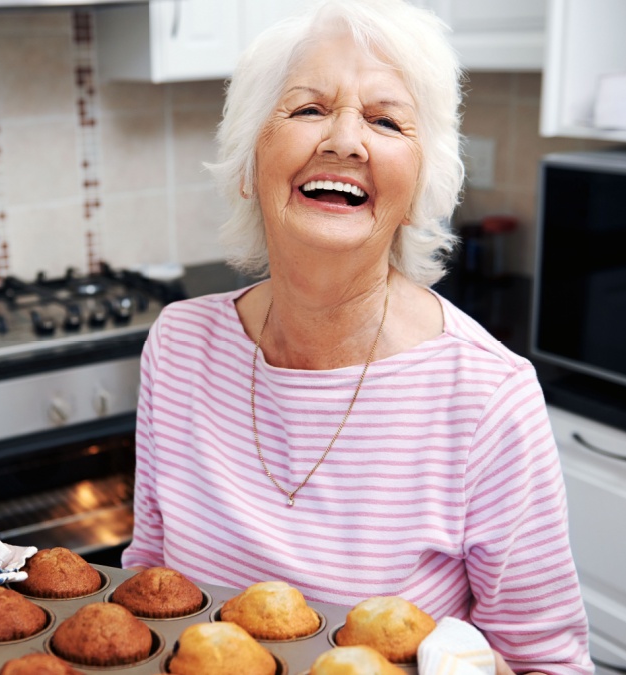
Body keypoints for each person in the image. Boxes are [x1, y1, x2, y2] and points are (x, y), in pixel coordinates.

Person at [119, 1, 594, 674]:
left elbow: (546, 662)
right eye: (308, 109)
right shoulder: (179, 347)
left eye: (385, 120)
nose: (344, 140)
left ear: (419, 182)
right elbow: (149, 590)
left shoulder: (487, 395)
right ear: (252, 160)